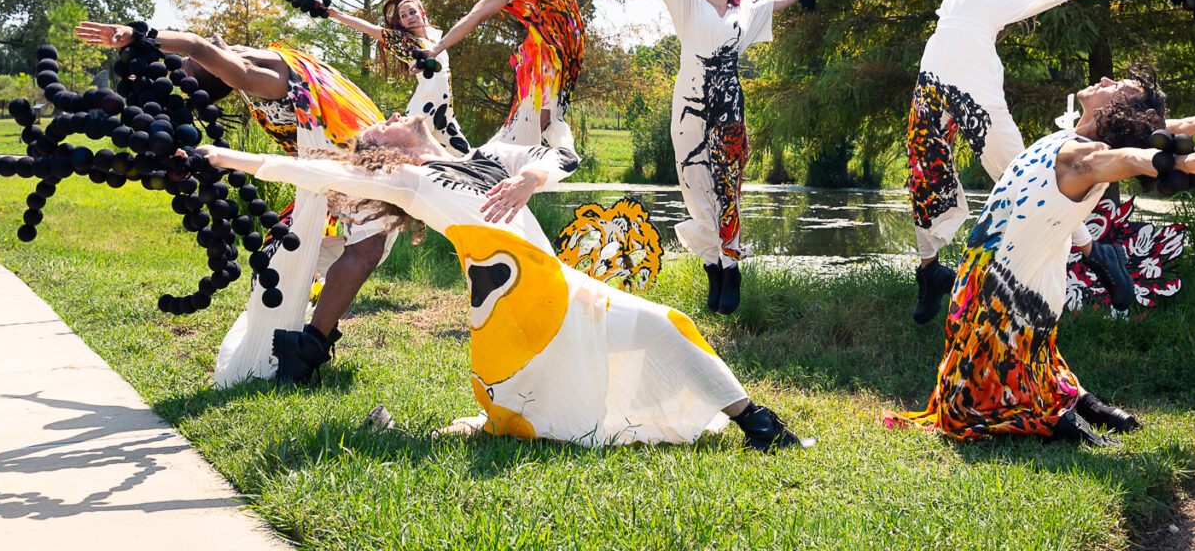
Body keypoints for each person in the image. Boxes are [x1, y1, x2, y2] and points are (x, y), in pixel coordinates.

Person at [196, 114, 816, 451]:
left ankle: (760, 425)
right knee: (520, 418)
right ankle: (761, 427)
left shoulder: (491, 155)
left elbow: (561, 153)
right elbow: (312, 166)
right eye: (378, 131)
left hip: (561, 286)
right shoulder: (410, 183)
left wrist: (530, 181)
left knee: (667, 325)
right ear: (388, 155)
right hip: (512, 309)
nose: (387, 118)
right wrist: (229, 159)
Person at [887, 68, 1195, 443]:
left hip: (996, 295)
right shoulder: (1079, 138)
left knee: (960, 409)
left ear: (1116, 112)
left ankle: (1056, 423)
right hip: (1025, 292)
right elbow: (1132, 140)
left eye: (1117, 87)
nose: (1106, 80)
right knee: (1034, 364)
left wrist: (1174, 164)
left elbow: (1127, 157)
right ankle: (1085, 405)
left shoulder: (1085, 157)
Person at [906, 0, 1195, 324]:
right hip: (929, 86)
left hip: (974, 93)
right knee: (921, 178)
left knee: (1021, 174)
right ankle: (931, 271)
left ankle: (1094, 251)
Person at [75, 21, 384, 387]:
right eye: (191, 63)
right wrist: (140, 36)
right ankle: (306, 348)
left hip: (348, 165)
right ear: (216, 69)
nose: (187, 59)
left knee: (347, 248)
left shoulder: (269, 65)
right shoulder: (258, 79)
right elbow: (197, 46)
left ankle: (311, 339)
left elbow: (202, 49)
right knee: (359, 249)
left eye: (185, 63)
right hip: (360, 166)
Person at [605, 0, 825, 314]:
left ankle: (732, 265)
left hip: (728, 107)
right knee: (693, 183)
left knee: (729, 185)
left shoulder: (745, 14)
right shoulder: (690, 3)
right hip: (688, 103)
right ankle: (712, 265)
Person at [418, 0, 607, 149]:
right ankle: (516, 165)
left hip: (569, 52)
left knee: (550, 117)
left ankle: (524, 163)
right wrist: (436, 49)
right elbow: (474, 16)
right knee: (542, 118)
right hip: (545, 54)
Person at [326, 0, 471, 154]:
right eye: (403, 16)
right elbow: (370, 28)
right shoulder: (405, 43)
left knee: (465, 155)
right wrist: (337, 15)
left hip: (444, 113)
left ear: (422, 14)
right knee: (397, 159)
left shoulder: (434, 37)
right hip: (423, 114)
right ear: (401, 23)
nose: (409, 17)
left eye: (412, 12)